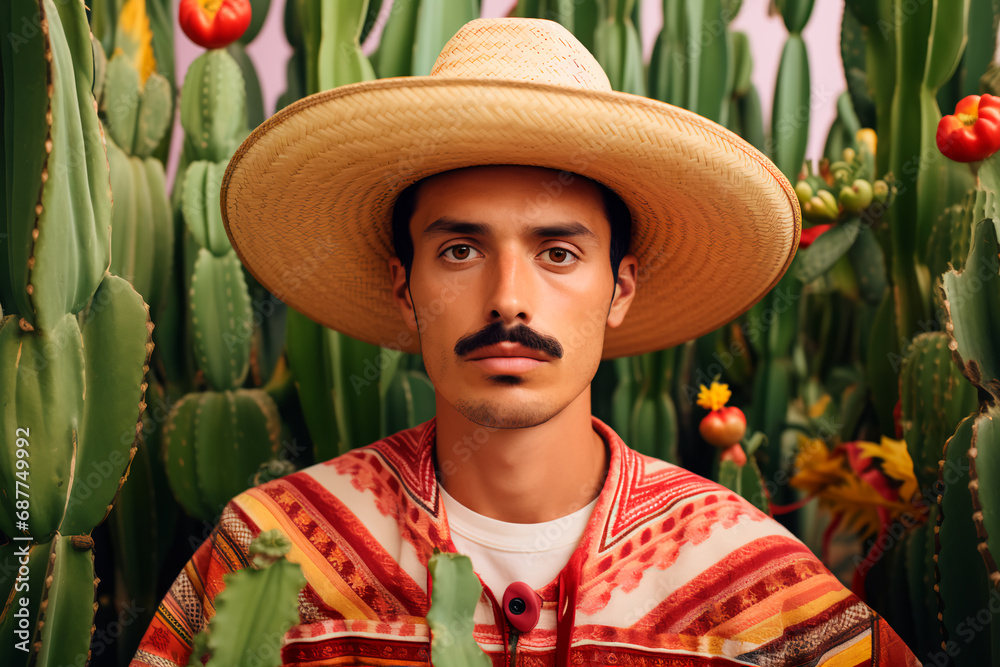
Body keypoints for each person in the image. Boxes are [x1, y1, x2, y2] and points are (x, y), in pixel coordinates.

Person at [130, 17, 920, 667]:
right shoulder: (271, 554)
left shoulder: (751, 580)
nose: (508, 299)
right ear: (404, 288)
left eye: (559, 253)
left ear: (621, 287)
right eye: (460, 251)